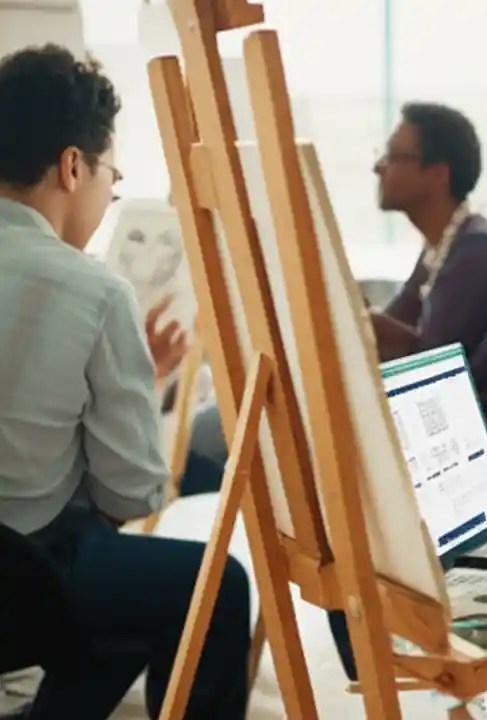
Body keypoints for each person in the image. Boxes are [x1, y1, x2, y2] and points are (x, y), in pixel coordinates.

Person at [0, 45, 250, 719]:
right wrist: (134, 386)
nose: (112, 194)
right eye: (111, 173)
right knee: (209, 588)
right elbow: (131, 493)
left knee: (123, 594)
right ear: (72, 166)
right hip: (17, 586)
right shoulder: (93, 291)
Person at [183, 102, 487, 520]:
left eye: (394, 156)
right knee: (262, 445)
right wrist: (344, 308)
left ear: (438, 174)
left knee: (289, 462)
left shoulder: (479, 256)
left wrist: (351, 316)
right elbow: (391, 331)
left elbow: (429, 372)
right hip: (475, 441)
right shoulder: (445, 248)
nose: (379, 168)